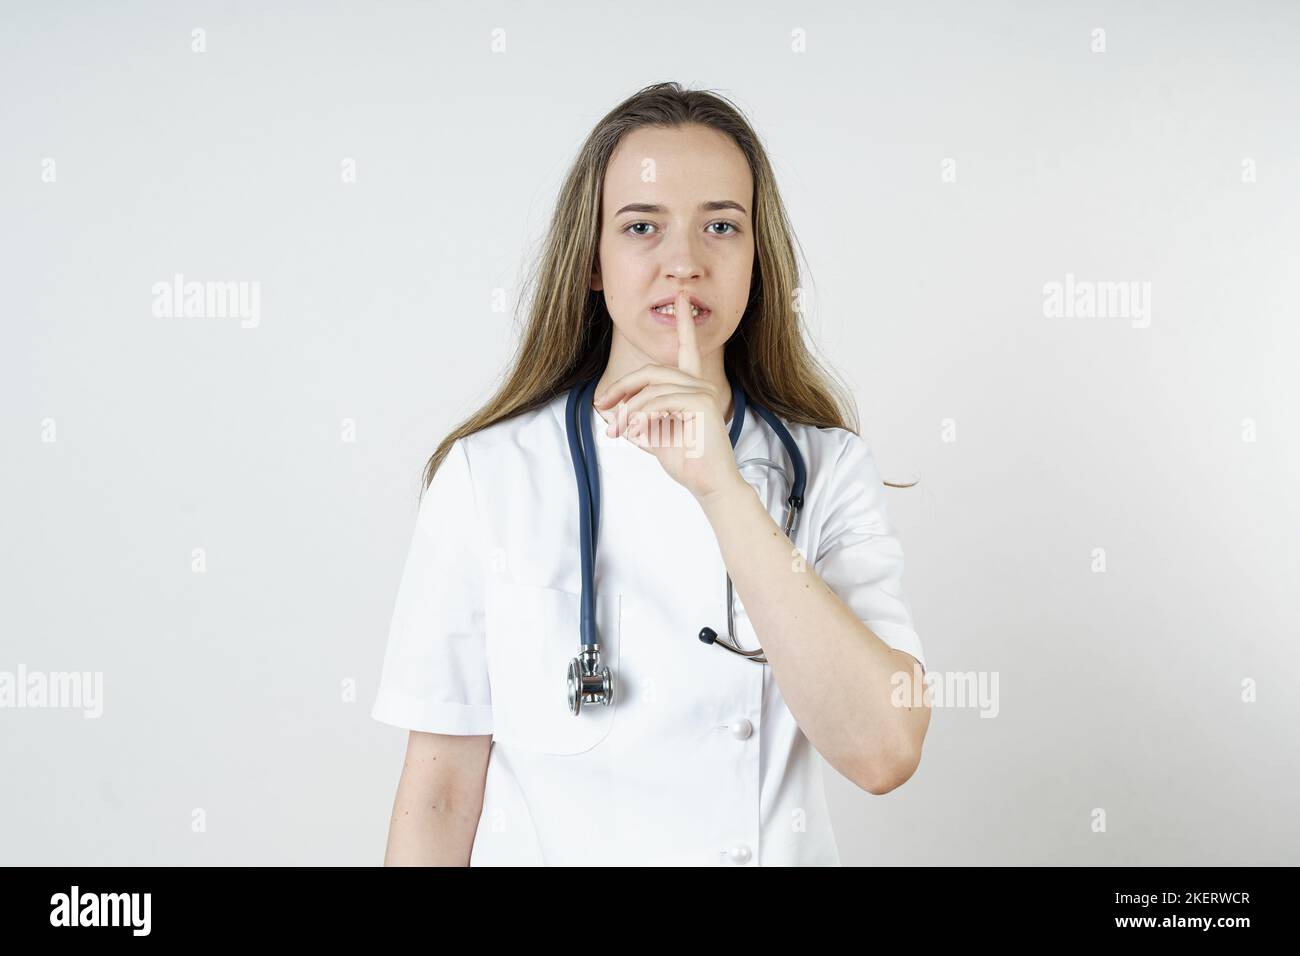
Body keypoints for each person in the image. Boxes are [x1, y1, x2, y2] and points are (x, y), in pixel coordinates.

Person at [371, 81, 931, 866]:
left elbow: (884, 751)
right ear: (594, 262)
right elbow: (437, 797)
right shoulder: (487, 475)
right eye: (642, 227)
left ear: (755, 258)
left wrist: (722, 488)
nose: (685, 264)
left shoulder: (828, 469)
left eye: (721, 227)